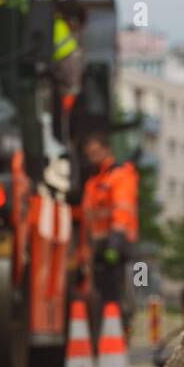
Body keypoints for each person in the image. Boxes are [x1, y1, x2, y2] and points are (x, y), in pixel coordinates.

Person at [79, 131, 139, 338]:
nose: (92, 157)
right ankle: (107, 337)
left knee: (114, 294)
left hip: (116, 243)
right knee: (103, 295)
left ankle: (118, 336)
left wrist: (115, 243)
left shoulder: (119, 175)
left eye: (96, 152)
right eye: (90, 154)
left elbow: (122, 211)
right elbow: (88, 219)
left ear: (107, 150)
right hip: (99, 245)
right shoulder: (93, 183)